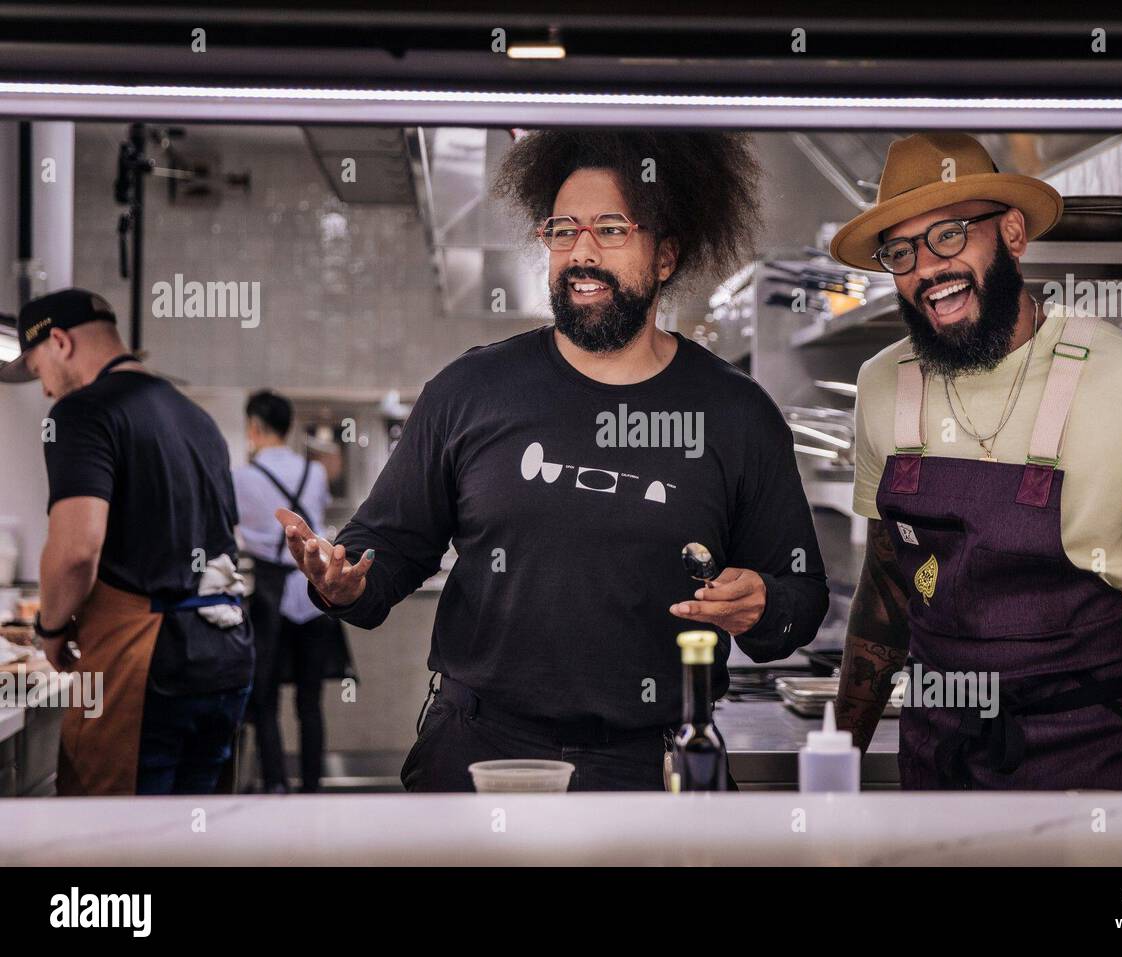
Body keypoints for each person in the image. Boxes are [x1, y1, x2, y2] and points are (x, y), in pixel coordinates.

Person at [275, 130, 830, 791]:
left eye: (611, 229)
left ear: (666, 255)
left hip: (649, 766)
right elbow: (386, 547)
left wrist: (766, 604)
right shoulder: (470, 391)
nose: (581, 252)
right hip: (479, 752)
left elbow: (800, 599)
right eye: (562, 230)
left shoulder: (737, 415)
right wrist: (343, 581)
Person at [831, 133, 1122, 790]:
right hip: (938, 764)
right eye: (902, 250)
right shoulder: (881, 383)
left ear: (1011, 233)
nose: (926, 267)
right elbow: (889, 589)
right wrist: (838, 759)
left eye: (950, 235)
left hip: (1087, 763)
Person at [0, 288, 253, 795]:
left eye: (38, 368)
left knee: (113, 834)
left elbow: (76, 551)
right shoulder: (195, 418)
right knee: (191, 832)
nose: (45, 389)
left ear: (60, 342)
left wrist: (50, 631)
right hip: (225, 655)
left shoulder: (81, 413)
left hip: (145, 661)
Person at [233, 390, 349, 794]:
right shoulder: (313, 473)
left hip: (268, 594)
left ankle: (276, 786)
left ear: (254, 427)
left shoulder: (241, 477)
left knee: (264, 697)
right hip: (312, 590)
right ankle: (313, 787)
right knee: (310, 700)